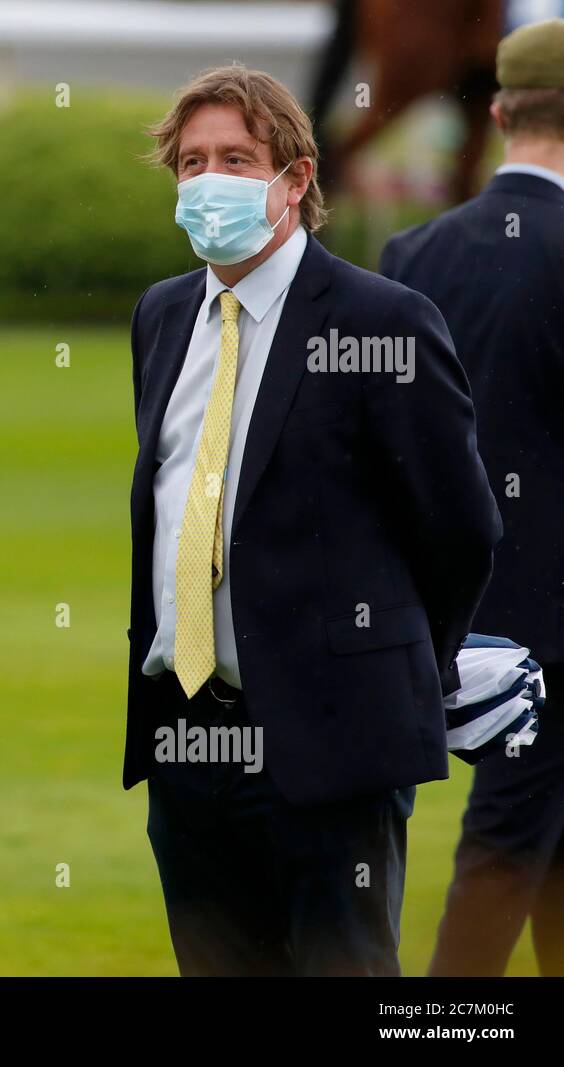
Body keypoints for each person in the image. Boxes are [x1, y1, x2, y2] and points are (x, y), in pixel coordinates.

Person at [125, 64, 501, 976]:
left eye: (237, 159)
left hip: (332, 746)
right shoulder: (165, 315)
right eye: (192, 161)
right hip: (187, 738)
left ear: (294, 181)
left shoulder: (384, 321)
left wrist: (397, 666)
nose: (209, 180)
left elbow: (459, 529)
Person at [380, 17, 564, 977]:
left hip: (450, 610)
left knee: (543, 836)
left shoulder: (414, 257)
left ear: (496, 113)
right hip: (555, 624)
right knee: (509, 837)